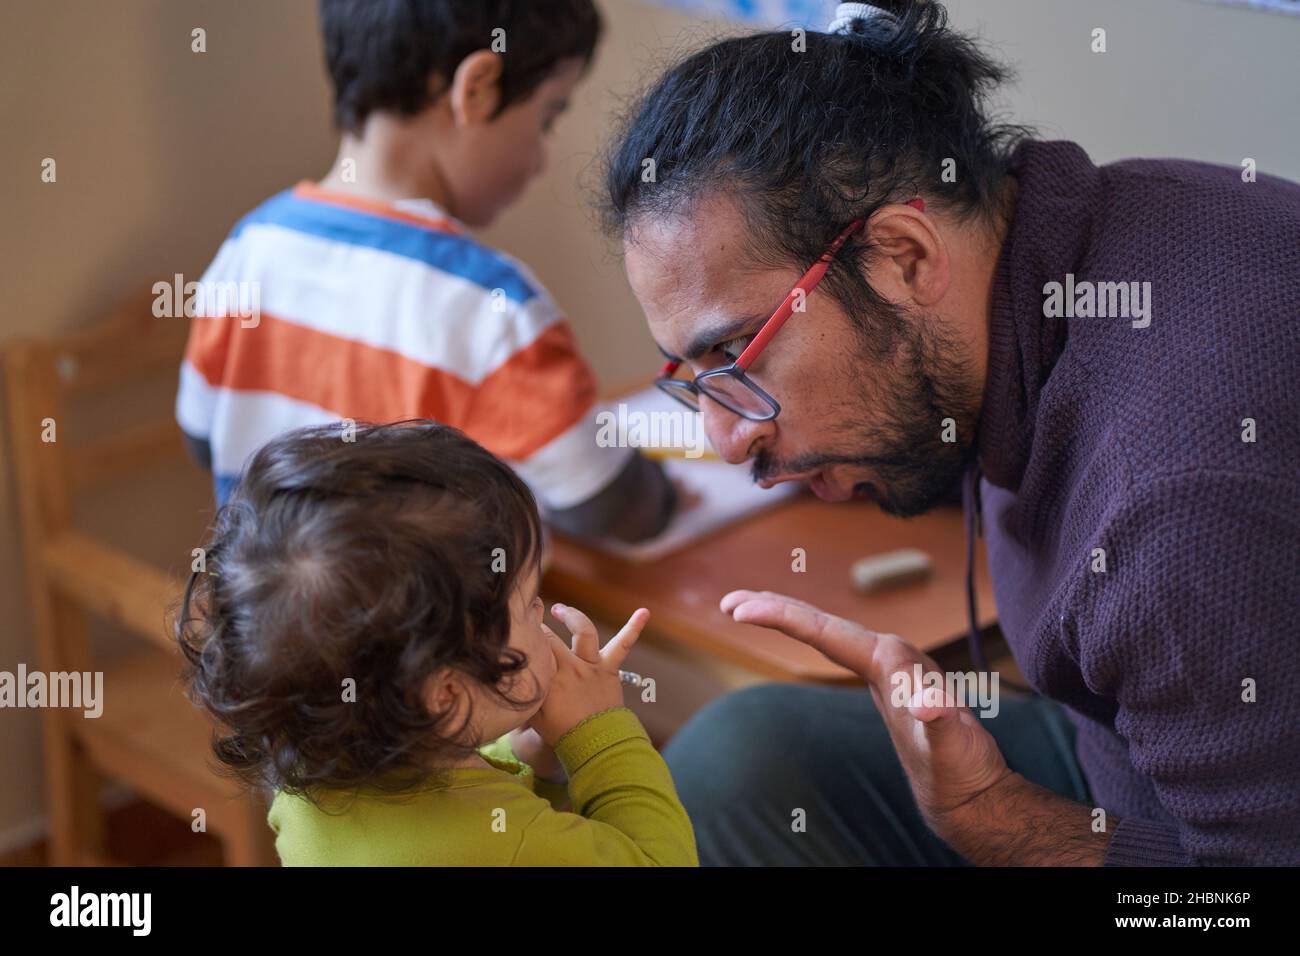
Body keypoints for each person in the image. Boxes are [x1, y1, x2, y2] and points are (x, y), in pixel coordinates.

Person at [600, 0, 1300, 865]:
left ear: (905, 256)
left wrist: (997, 821)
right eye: (692, 373)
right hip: (1130, 754)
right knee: (743, 757)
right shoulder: (1106, 226)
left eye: (737, 349)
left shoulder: (1173, 516)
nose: (725, 441)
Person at [175, 0, 675, 541]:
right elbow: (609, 507)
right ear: (477, 87)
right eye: (548, 117)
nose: (540, 159)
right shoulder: (490, 304)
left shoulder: (248, 248)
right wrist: (661, 489)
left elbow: (201, 439)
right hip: (427, 628)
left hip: (261, 625)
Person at [176, 421, 698, 866]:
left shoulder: (305, 775)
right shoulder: (509, 843)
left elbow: (434, 770)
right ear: (446, 697)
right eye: (527, 602)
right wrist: (597, 734)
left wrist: (523, 754)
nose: (541, 612)